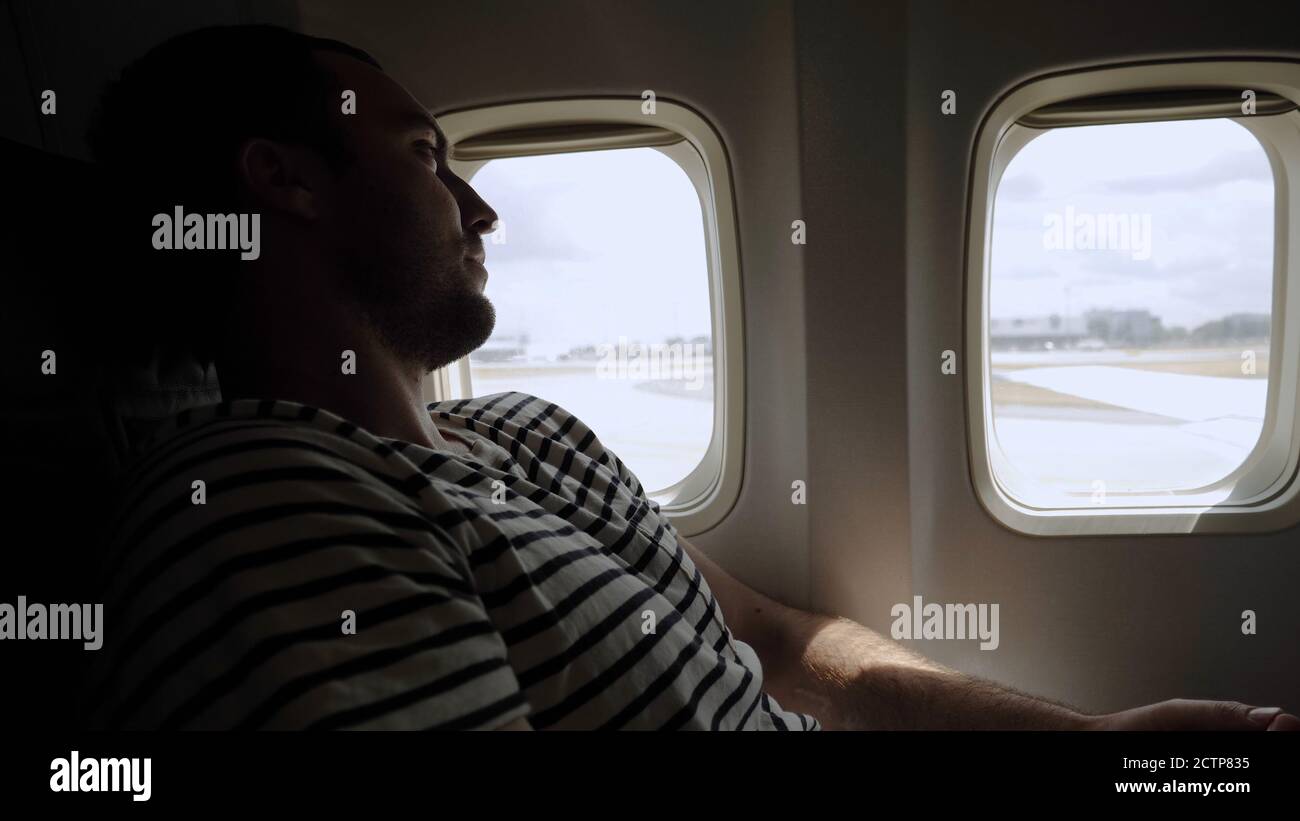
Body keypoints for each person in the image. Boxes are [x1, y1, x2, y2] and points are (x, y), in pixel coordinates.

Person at [83, 24, 1299, 730]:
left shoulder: (526, 434)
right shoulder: (261, 511)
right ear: (283, 182)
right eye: (424, 155)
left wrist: (1097, 744)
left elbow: (776, 639)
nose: (481, 204)